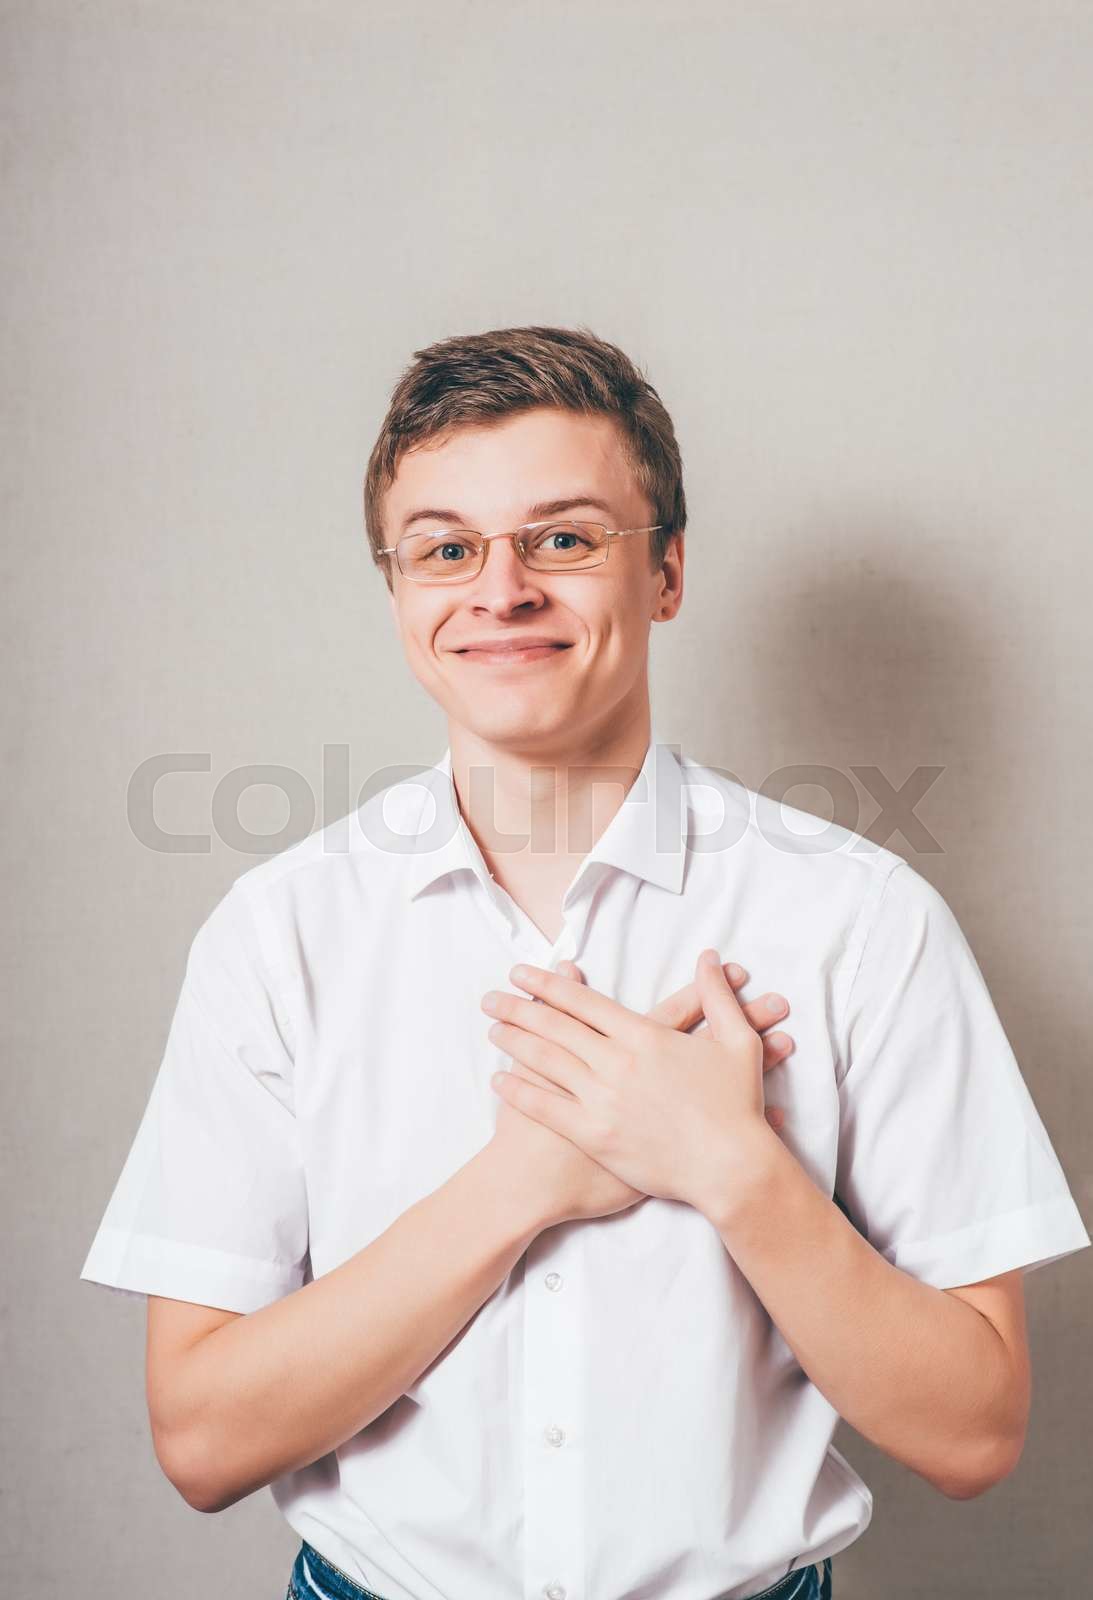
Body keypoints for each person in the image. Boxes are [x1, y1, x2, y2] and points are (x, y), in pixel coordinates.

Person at [80, 325, 1089, 1600]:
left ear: (666, 571)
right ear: (399, 590)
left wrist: (729, 1165)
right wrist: (526, 1181)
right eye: (446, 548)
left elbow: (974, 1430)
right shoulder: (277, 933)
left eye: (563, 538)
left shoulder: (862, 921)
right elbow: (205, 1440)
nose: (500, 589)